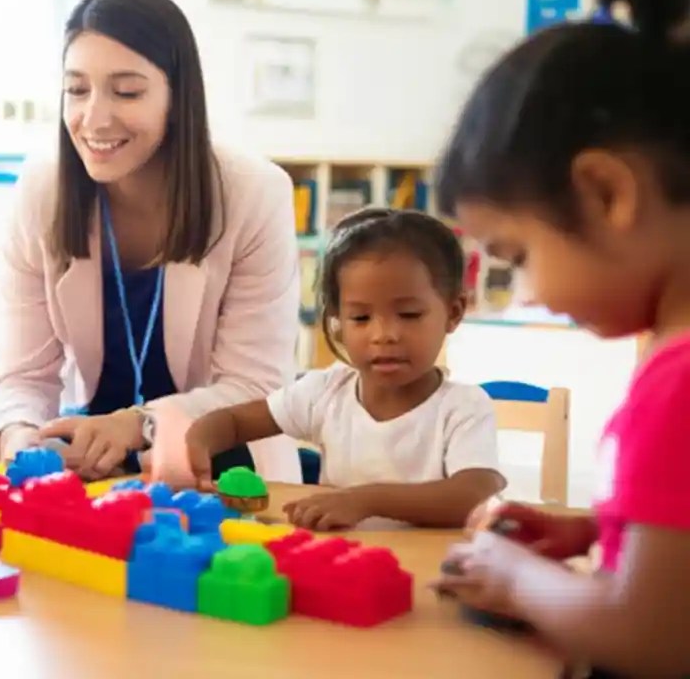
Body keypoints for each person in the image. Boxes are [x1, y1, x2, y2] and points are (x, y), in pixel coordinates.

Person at [430, 0, 690, 675]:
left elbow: (653, 636)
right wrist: (593, 532)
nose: (529, 295)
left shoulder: (679, 380)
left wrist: (515, 579)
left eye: (516, 256)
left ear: (606, 194)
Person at [0, 0, 302, 486]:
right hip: (93, 469)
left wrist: (140, 423)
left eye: (127, 91)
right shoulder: (43, 192)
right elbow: (24, 376)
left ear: (177, 97)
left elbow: (255, 385)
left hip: (222, 467)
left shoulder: (254, 193)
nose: (94, 118)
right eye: (77, 89)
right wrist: (21, 435)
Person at [185, 208, 505, 530]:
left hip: (424, 572)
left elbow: (475, 495)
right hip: (341, 564)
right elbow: (234, 423)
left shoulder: (463, 407)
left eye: (408, 314)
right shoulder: (326, 392)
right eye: (361, 318)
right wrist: (199, 441)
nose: (383, 335)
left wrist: (365, 500)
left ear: (453, 312)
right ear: (339, 322)